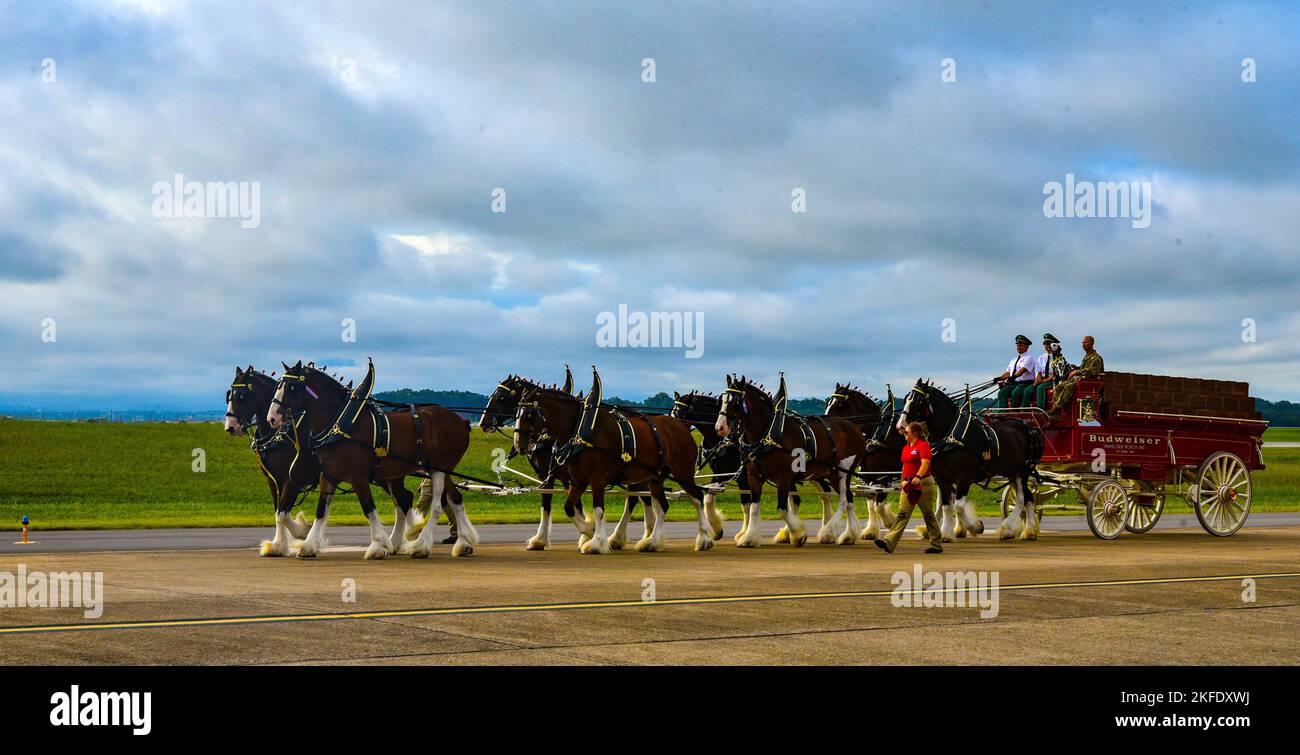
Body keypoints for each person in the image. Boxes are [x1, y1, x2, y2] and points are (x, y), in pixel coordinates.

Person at [875, 421, 942, 554]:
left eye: (907, 432)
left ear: (915, 433)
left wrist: (918, 477)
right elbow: (905, 466)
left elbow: (925, 463)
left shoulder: (923, 446)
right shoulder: (906, 448)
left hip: (923, 484)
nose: (904, 434)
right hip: (908, 484)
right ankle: (889, 542)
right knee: (902, 514)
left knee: (928, 514)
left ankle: (936, 544)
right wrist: (902, 481)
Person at [1047, 335, 1105, 417]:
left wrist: (1077, 371)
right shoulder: (1086, 356)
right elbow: (1084, 369)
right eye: (1082, 343)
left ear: (1091, 343)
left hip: (1087, 384)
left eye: (1085, 342)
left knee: (1068, 386)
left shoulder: (1096, 358)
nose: (1083, 344)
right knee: (1058, 387)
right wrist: (1077, 368)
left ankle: (1057, 408)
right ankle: (1056, 412)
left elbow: (1094, 371)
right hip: (1079, 380)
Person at [995, 335, 1037, 408]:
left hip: (1025, 384)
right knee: (1001, 393)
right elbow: (1008, 373)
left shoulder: (1029, 358)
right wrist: (1000, 378)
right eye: (1017, 345)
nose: (1018, 347)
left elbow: (1022, 370)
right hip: (1014, 384)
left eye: (1020, 345)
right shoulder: (1013, 360)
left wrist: (1014, 377)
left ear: (1027, 347)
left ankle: (1015, 413)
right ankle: (1003, 414)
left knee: (1015, 393)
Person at [1034, 333, 1073, 409]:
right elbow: (1038, 372)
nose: (1046, 346)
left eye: (1048, 344)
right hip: (1043, 380)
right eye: (1044, 344)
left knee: (1040, 387)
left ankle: (1041, 410)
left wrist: (1043, 381)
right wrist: (1038, 379)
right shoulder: (1040, 358)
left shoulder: (1059, 358)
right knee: (1029, 389)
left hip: (1055, 381)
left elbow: (1058, 374)